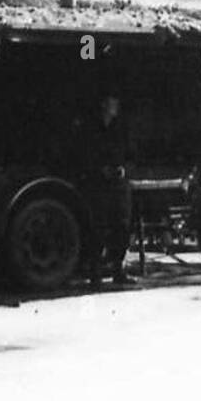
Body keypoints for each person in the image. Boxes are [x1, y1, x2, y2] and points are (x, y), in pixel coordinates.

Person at [75, 92, 137, 284]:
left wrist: (124, 170)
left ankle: (118, 269)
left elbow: (131, 154)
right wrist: (100, 170)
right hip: (98, 183)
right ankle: (95, 271)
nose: (115, 107)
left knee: (122, 225)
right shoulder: (91, 129)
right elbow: (85, 154)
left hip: (119, 183)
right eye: (111, 104)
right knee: (98, 226)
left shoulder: (121, 129)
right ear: (104, 105)